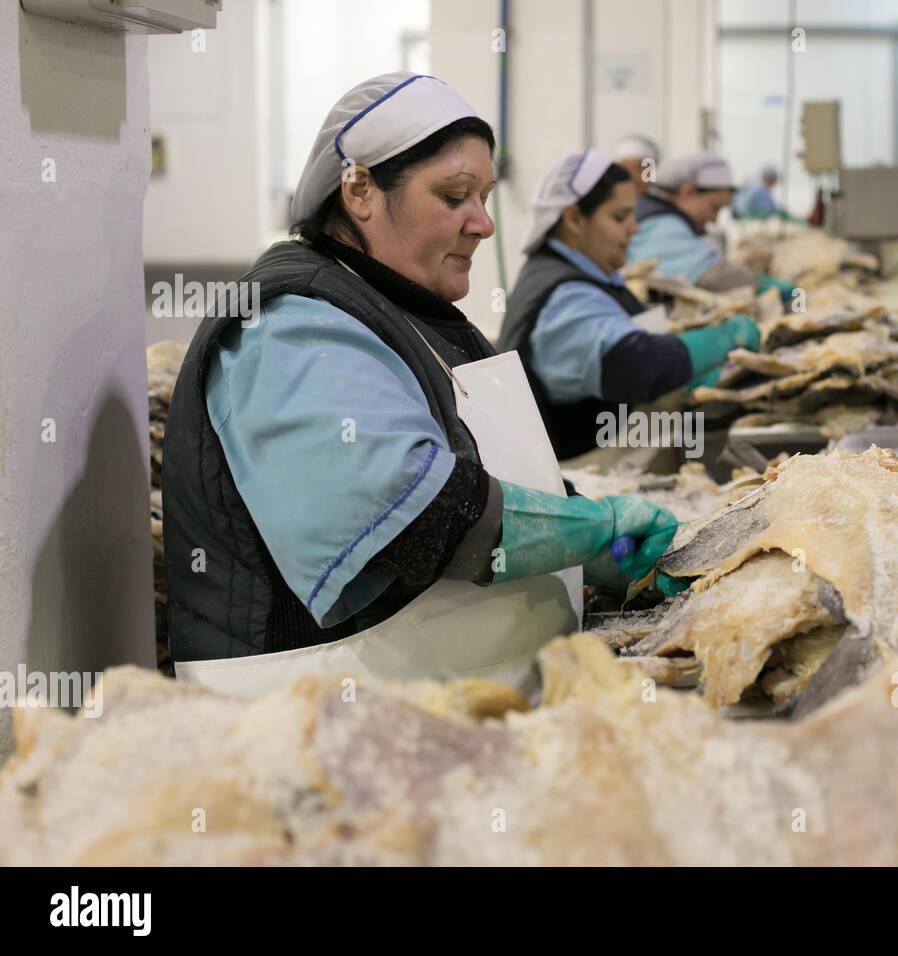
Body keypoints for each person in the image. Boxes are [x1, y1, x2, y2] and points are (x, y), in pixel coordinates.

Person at [162, 72, 677, 695]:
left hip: (450, 694)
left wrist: (588, 543)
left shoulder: (411, 311)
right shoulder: (288, 325)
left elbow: (495, 474)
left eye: (485, 197)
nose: (483, 224)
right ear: (360, 190)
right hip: (315, 718)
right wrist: (593, 528)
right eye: (455, 195)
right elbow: (417, 518)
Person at [498, 150, 760, 460]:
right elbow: (636, 364)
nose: (634, 229)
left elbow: (637, 336)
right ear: (574, 219)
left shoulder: (592, 275)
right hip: (582, 476)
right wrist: (725, 338)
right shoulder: (562, 295)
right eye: (620, 217)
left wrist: (693, 374)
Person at [627, 152, 795, 299]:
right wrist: (762, 284)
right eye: (714, 208)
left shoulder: (652, 214)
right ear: (688, 192)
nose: (714, 220)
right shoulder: (659, 225)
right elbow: (712, 274)